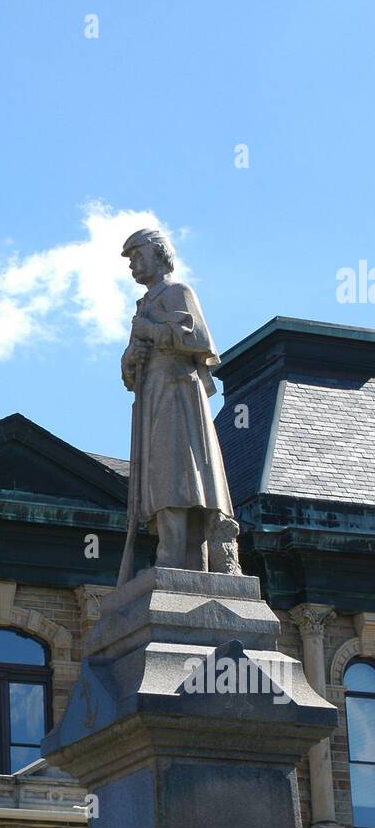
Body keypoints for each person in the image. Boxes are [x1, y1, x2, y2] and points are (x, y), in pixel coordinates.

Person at [120, 228, 241, 577]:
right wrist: (131, 357)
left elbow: (201, 340)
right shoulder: (143, 306)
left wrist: (150, 331)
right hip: (151, 395)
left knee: (177, 474)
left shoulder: (177, 292)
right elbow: (130, 372)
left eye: (137, 257)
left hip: (178, 390)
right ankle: (176, 554)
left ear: (159, 254)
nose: (133, 266)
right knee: (160, 477)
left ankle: (175, 556)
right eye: (130, 261)